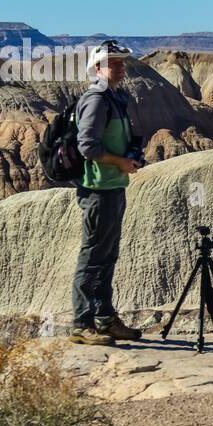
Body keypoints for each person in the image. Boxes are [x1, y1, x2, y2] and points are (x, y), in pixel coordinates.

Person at [70, 40, 144, 346]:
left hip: (113, 186)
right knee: (92, 256)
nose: (121, 68)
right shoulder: (97, 100)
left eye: (122, 63)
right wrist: (121, 161)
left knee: (107, 256)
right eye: (114, 63)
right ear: (98, 68)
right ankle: (82, 323)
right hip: (99, 188)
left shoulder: (115, 98)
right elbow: (86, 146)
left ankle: (105, 318)